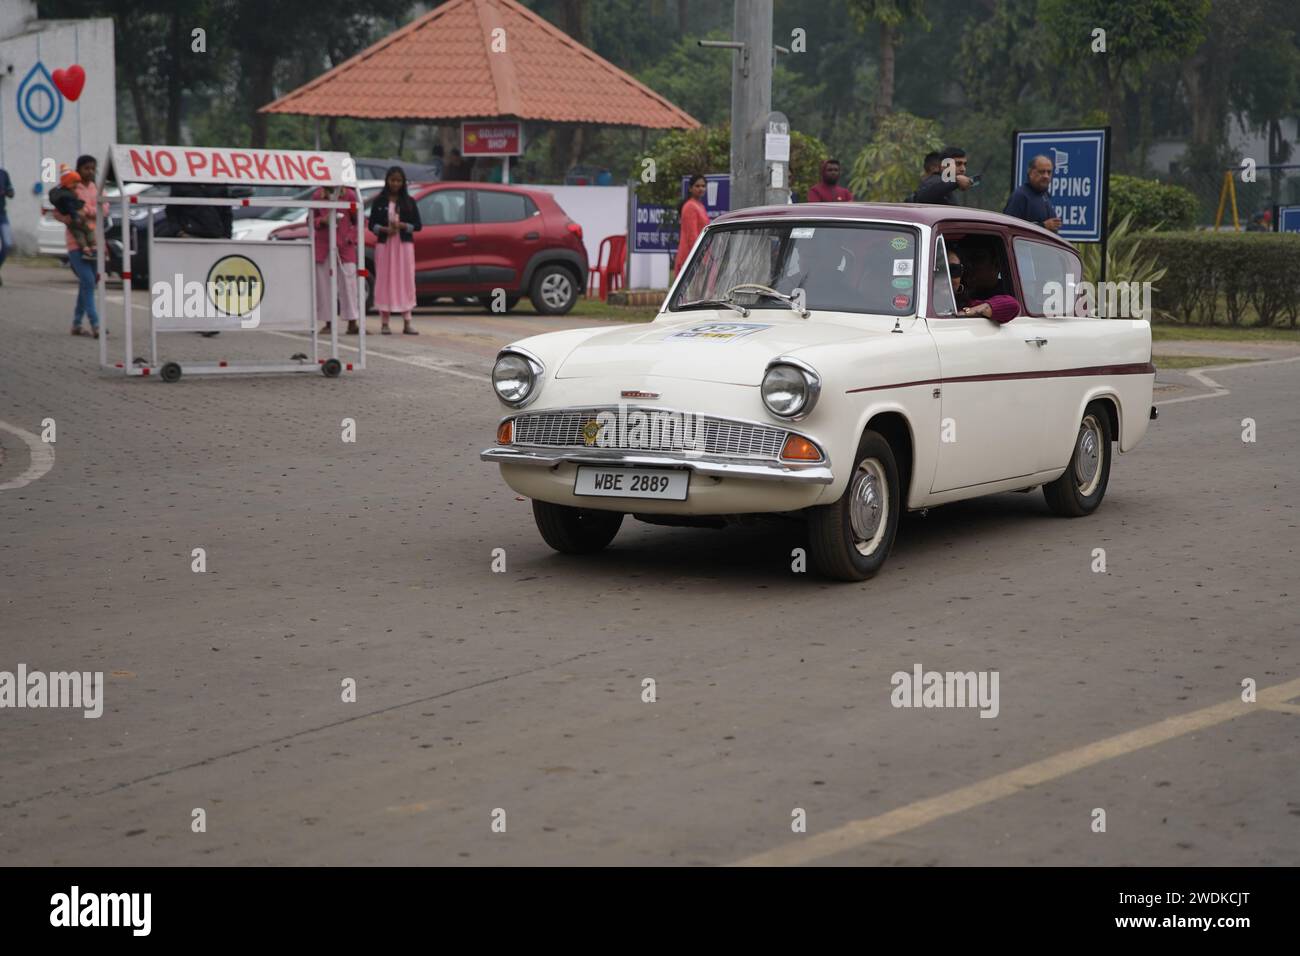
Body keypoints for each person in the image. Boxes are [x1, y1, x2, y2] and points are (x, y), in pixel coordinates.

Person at [52, 155, 106, 338]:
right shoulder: (72, 187)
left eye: (93, 168)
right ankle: (96, 324)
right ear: (78, 169)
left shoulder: (96, 188)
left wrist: (88, 211)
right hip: (76, 243)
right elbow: (58, 211)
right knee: (88, 281)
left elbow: (104, 209)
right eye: (86, 169)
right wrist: (70, 217)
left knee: (90, 282)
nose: (90, 172)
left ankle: (76, 324)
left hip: (94, 241)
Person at [367, 166, 422, 335]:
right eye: (393, 180)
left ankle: (407, 321)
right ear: (387, 181)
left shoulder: (409, 202)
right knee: (385, 280)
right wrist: (384, 230)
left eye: (399, 180)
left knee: (405, 280)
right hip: (385, 246)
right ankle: (385, 322)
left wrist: (403, 226)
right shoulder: (379, 201)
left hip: (404, 247)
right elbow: (371, 225)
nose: (395, 184)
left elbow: (418, 226)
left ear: (403, 182)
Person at [314, 184, 361, 336]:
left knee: (349, 283)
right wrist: (322, 221)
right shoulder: (317, 195)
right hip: (323, 245)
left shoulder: (350, 195)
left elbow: (359, 220)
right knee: (324, 285)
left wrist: (350, 238)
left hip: (345, 246)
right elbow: (311, 220)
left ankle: (352, 322)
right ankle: (328, 322)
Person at [948, 244, 1019, 324]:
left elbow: (1012, 305)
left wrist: (967, 312)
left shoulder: (966, 303)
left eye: (953, 270)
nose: (945, 276)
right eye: (939, 269)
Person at [1003, 155, 1062, 232]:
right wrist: (1043, 226)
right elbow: (1009, 228)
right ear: (1030, 173)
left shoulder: (1045, 196)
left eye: (1049, 172)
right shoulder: (1020, 196)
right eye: (1041, 172)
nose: (1046, 176)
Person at [49, 169, 95, 253]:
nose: (77, 185)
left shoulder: (59, 193)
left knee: (78, 233)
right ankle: (93, 245)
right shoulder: (67, 196)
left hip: (70, 221)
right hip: (76, 217)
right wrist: (76, 216)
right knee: (88, 229)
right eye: (75, 183)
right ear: (69, 182)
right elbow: (71, 208)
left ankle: (85, 248)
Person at [674, 173, 709, 276]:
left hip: (700, 253)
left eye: (703, 186)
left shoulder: (699, 205)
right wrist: (698, 258)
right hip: (691, 255)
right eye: (697, 186)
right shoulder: (690, 206)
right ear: (690, 188)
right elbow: (692, 236)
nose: (701, 189)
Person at [0, 164, 14, 286]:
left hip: (2, 215)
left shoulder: (3, 174)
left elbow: (11, 191)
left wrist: (8, 192)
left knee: (8, 244)